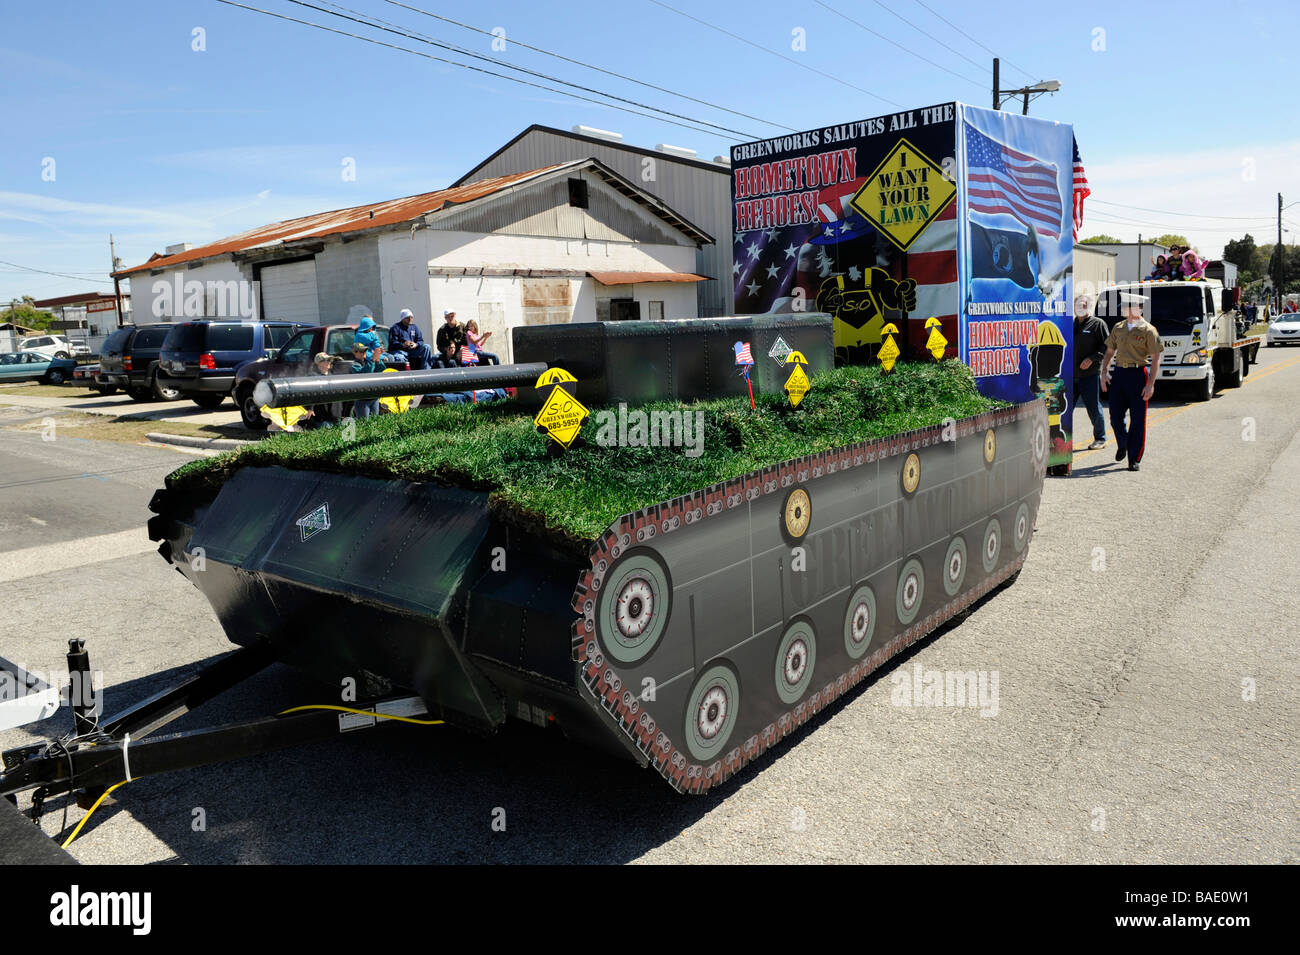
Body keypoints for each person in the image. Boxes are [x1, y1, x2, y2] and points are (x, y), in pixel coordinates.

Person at [1099, 292, 1163, 472]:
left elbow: (1156, 357)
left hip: (1138, 374)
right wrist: (1104, 373)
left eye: (1127, 307)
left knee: (1138, 420)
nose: (1123, 310)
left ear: (1138, 308)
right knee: (1115, 416)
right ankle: (1123, 442)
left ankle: (1134, 458)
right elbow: (1110, 352)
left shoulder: (1148, 330)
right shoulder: (1118, 328)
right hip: (1119, 374)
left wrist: (1150, 384)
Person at [1072, 293, 1109, 450]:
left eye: (1084, 305)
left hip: (1089, 375)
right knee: (1064, 408)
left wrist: (1092, 358)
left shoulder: (1097, 324)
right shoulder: (1069, 324)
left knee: (1093, 407)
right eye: (1078, 305)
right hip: (1070, 375)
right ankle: (1061, 440)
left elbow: (1107, 346)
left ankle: (1100, 438)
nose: (1081, 307)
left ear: (1089, 307)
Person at [301, 352, 342, 430]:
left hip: (335, 416)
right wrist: (310, 408)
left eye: (330, 360)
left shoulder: (333, 376)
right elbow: (310, 394)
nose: (329, 362)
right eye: (327, 360)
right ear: (319, 363)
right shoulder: (312, 376)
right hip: (321, 417)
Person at [349, 341, 385, 419]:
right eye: (361, 351)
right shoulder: (354, 365)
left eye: (365, 350)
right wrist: (372, 361)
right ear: (355, 353)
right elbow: (365, 374)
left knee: (375, 422)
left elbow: (381, 371)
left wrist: (378, 361)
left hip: (374, 397)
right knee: (364, 423)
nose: (364, 353)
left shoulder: (368, 362)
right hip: (362, 399)